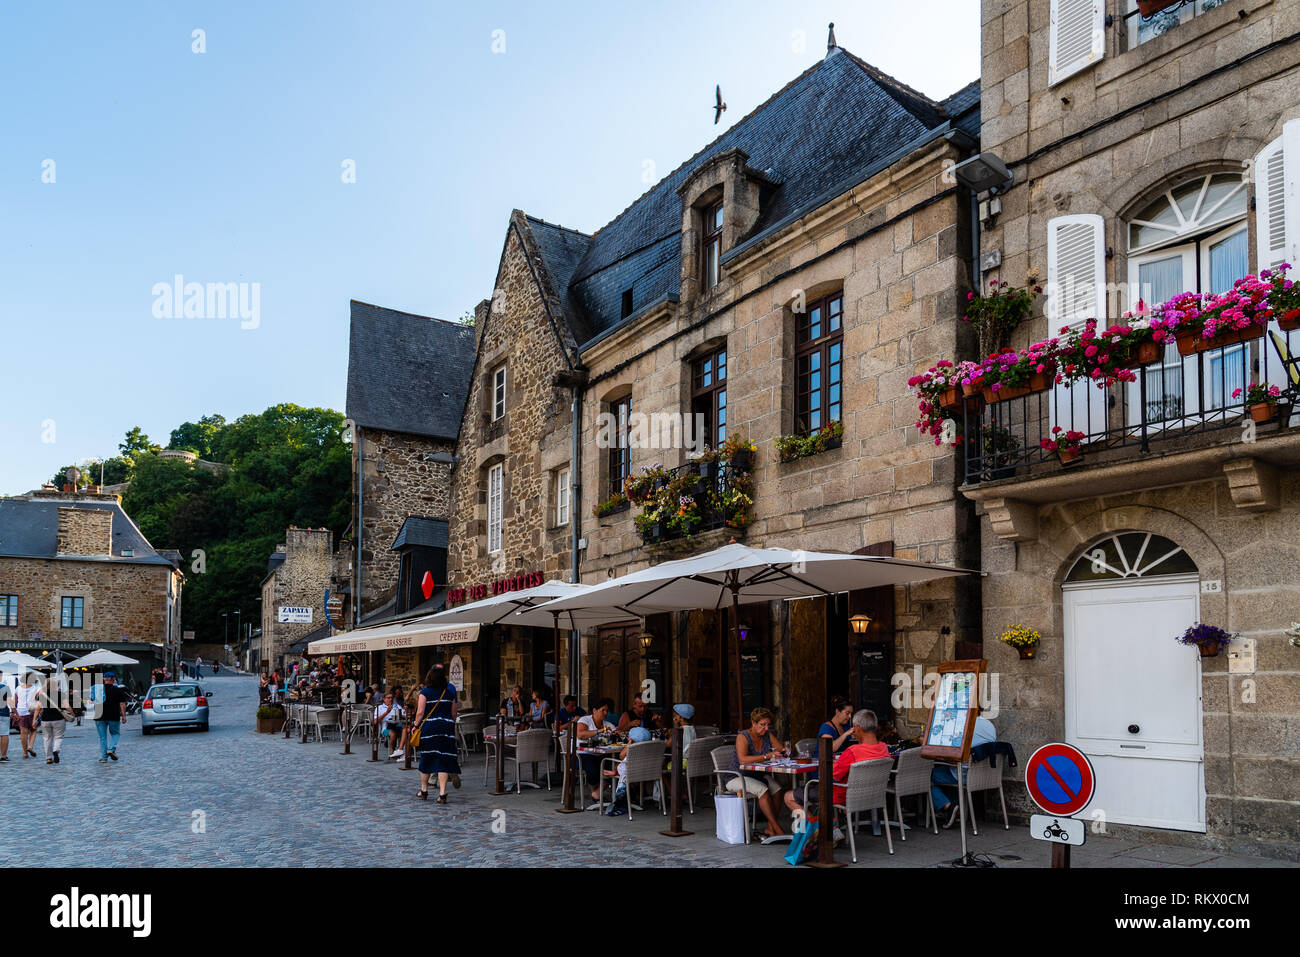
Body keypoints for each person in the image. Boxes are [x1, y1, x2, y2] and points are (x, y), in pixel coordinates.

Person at [785, 708, 891, 818]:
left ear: (858, 728)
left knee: (789, 796)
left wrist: (835, 763)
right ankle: (829, 826)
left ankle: (816, 828)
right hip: (873, 794)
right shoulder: (883, 748)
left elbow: (833, 775)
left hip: (841, 795)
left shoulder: (853, 751)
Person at [728, 707, 789, 839]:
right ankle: (777, 828)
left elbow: (781, 749)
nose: (766, 728)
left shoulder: (767, 734)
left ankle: (770, 828)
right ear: (753, 723)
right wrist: (768, 756)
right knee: (763, 790)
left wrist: (783, 752)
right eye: (762, 725)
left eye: (768, 725)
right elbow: (743, 760)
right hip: (737, 776)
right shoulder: (743, 736)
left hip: (756, 775)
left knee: (778, 790)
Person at [931, 715, 996, 828]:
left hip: (964, 774)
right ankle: (954, 805)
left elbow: (953, 756)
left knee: (930, 774)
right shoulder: (989, 725)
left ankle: (948, 805)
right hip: (987, 774)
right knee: (945, 772)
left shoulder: (963, 726)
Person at [411, 667, 461, 803]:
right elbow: (453, 713)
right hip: (446, 728)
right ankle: (443, 793)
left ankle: (424, 790)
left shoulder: (425, 692)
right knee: (443, 759)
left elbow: (420, 712)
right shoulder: (449, 693)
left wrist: (415, 725)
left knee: (427, 758)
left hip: (430, 728)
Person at [605, 726, 655, 816]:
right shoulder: (648, 748)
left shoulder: (631, 748)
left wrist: (629, 744)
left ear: (631, 739)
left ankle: (620, 800)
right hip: (642, 772)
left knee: (620, 764)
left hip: (629, 772)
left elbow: (621, 756)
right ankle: (631, 796)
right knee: (622, 764)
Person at [576, 698, 618, 803]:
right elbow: (580, 734)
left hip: (600, 754)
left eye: (607, 711)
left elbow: (617, 734)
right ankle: (597, 794)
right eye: (603, 710)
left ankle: (596, 794)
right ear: (594, 710)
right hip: (583, 753)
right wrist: (600, 731)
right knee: (593, 769)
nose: (605, 713)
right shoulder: (585, 720)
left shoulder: (608, 724)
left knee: (613, 767)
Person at [94, 672, 129, 763]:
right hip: (113, 715)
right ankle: (111, 749)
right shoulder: (118, 690)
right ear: (114, 679)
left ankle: (103, 758)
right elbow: (122, 704)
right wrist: (124, 716)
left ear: (103, 679)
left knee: (102, 737)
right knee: (115, 734)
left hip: (99, 716)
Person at [33, 679, 68, 764]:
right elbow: (67, 707)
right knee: (58, 737)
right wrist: (72, 714)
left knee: (47, 739)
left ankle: (48, 758)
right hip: (58, 719)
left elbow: (37, 708)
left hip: (45, 720)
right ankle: (56, 750)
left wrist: (34, 720)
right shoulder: (61, 694)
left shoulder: (42, 695)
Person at [15, 672, 42, 759]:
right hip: (32, 711)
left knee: (23, 733)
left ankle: (24, 753)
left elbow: (15, 701)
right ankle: (30, 747)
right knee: (33, 730)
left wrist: (14, 712)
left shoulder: (18, 688)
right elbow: (40, 699)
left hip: (21, 711)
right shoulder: (36, 688)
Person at [374, 692, 404, 758]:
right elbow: (375, 722)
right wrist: (387, 712)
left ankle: (402, 751)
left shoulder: (397, 706)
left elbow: (404, 715)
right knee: (393, 734)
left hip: (398, 726)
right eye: (388, 698)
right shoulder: (380, 708)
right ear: (384, 699)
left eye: (392, 698)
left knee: (407, 731)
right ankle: (393, 752)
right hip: (386, 728)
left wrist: (404, 713)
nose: (390, 699)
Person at [0, 675, 11, 761]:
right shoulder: (5, 687)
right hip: (3, 713)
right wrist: (15, 712)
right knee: (4, 734)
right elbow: (10, 701)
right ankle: (3, 755)